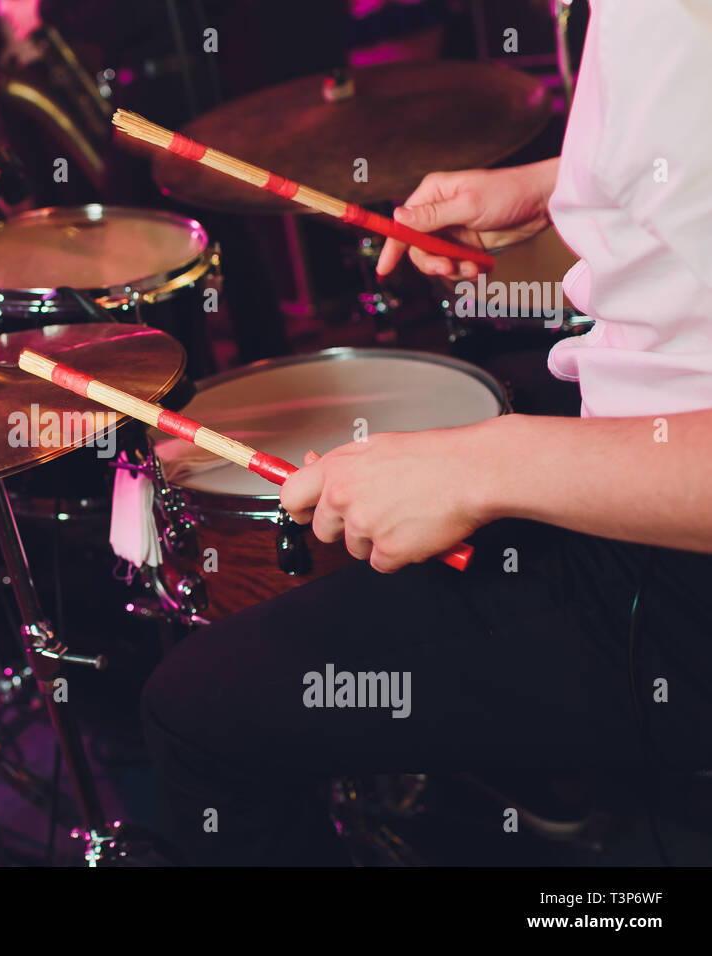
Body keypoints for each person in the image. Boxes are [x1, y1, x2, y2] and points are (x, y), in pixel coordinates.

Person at [141, 0, 712, 865]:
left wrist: (485, 466)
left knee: (193, 717)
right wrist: (566, 187)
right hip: (636, 431)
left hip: (678, 561)